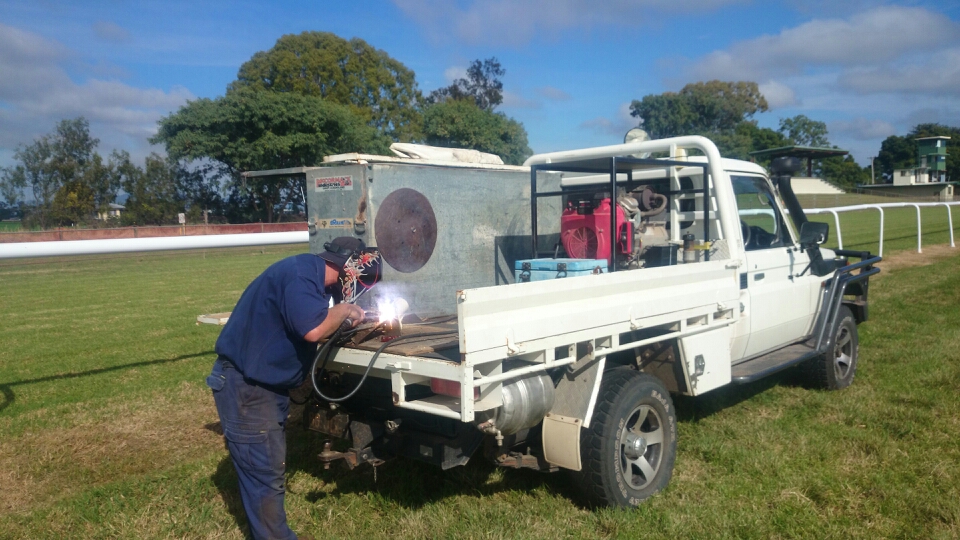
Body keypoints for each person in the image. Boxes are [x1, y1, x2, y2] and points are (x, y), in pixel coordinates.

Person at [206, 237, 381, 540]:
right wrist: (344, 310)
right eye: (360, 279)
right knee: (264, 473)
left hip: (257, 384)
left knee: (266, 469)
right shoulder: (301, 276)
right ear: (349, 270)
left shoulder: (305, 271)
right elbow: (313, 330)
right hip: (248, 388)